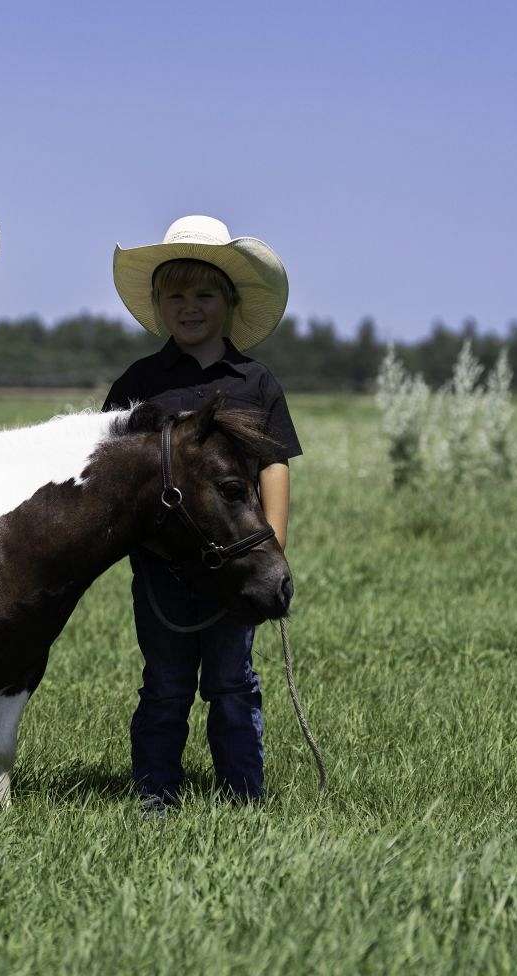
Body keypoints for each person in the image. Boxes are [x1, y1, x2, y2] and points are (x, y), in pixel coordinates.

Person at [104, 214, 301, 810]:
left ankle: (243, 797)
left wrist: (274, 543)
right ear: (160, 305)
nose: (190, 307)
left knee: (232, 682)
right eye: (176, 295)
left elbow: (274, 466)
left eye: (205, 294)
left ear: (230, 302)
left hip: (237, 562)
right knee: (165, 685)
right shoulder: (139, 383)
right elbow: (112, 472)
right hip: (162, 568)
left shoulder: (255, 381)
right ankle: (155, 796)